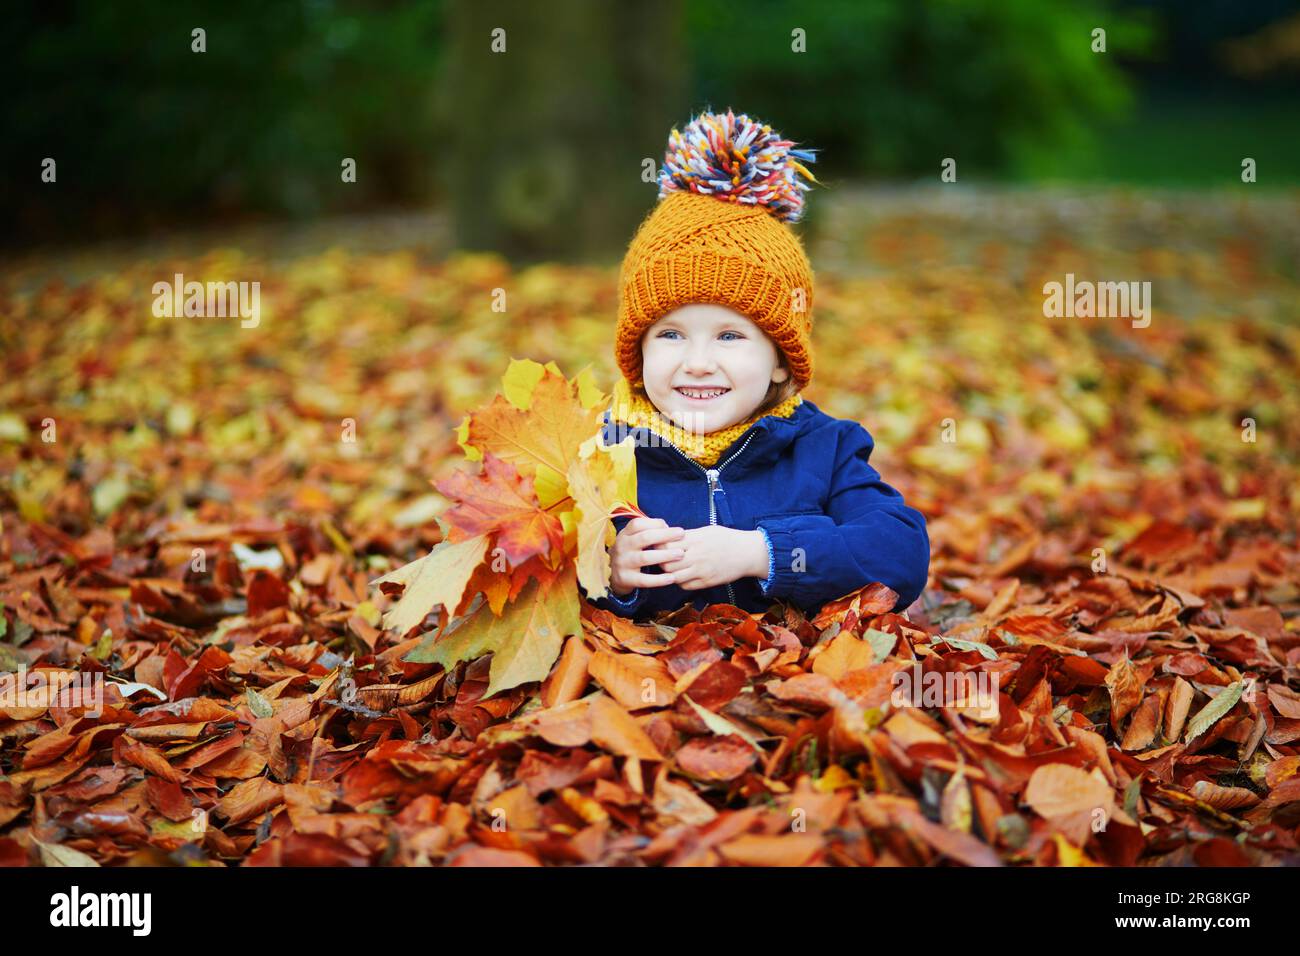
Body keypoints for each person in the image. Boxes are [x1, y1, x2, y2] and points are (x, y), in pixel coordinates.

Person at [588, 108, 929, 620]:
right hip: (649, 684)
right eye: (671, 334)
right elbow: (529, 573)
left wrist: (763, 552)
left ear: (779, 360)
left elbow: (900, 553)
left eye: (730, 336)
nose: (697, 363)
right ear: (639, 351)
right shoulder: (604, 456)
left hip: (789, 685)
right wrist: (607, 571)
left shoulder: (822, 450)